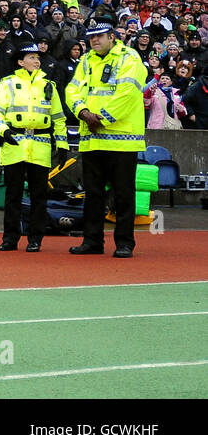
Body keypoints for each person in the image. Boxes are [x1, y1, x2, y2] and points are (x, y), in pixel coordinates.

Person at [65, 22, 147, 258]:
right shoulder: (87, 60)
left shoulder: (129, 58)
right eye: (91, 37)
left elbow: (128, 94)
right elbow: (72, 90)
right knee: (93, 195)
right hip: (92, 139)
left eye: (99, 36)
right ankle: (92, 241)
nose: (94, 41)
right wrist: (82, 112)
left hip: (122, 141)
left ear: (112, 37)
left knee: (123, 195)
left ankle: (124, 243)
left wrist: (102, 119)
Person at [0, 44, 66, 252]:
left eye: (38, 58)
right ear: (21, 62)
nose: (37, 61)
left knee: (39, 195)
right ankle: (10, 238)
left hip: (40, 146)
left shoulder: (49, 85)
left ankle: (35, 238)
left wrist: (63, 144)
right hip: (15, 144)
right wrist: (5, 131)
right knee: (13, 195)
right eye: (31, 57)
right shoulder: (8, 84)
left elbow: (58, 117)